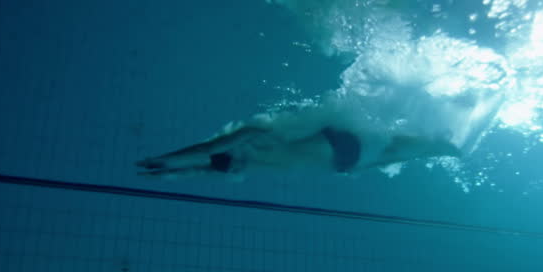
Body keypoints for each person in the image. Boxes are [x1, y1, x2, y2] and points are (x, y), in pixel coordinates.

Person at [137, 90, 503, 178]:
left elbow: (208, 149)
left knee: (423, 145)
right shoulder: (243, 162)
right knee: (431, 148)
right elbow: (206, 164)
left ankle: (459, 103)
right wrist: (169, 170)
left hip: (346, 147)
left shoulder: (251, 137)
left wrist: (167, 159)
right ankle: (462, 123)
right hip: (349, 159)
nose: (229, 164)